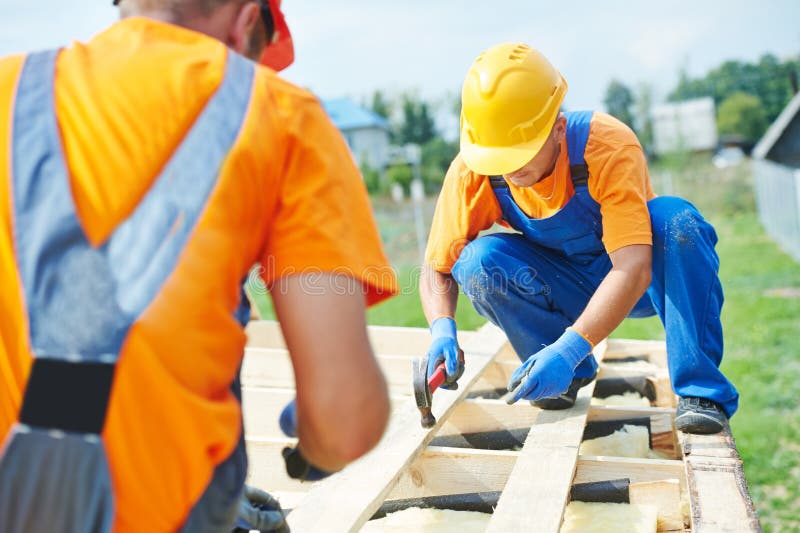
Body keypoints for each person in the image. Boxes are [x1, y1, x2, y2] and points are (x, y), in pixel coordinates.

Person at [0, 0, 397, 531]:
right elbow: (346, 421)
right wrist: (314, 445)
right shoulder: (283, 115)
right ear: (247, 22)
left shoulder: (10, 89)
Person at [420, 42, 738, 435]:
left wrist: (572, 346)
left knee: (676, 222)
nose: (508, 169)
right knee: (477, 261)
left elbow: (633, 267)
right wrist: (441, 329)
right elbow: (437, 268)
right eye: (497, 158)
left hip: (642, 281)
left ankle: (700, 392)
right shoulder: (475, 167)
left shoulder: (606, 145)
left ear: (557, 128)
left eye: (519, 154)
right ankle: (561, 376)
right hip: (564, 285)